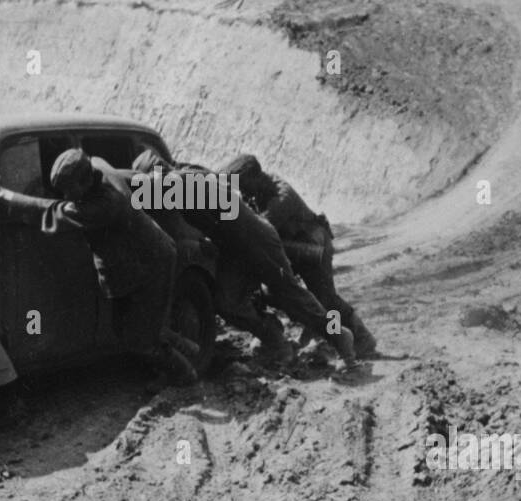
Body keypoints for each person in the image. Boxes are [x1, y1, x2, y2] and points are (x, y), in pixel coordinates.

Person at [0, 149, 196, 384]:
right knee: (128, 329)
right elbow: (105, 165)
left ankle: (184, 375)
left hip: (152, 264)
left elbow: (51, 210)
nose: (67, 196)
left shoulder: (103, 205)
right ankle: (192, 349)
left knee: (140, 338)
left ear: (86, 181)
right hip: (135, 261)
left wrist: (1, 193)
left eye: (70, 190)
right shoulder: (98, 166)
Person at [131, 149, 357, 369]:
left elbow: (169, 188)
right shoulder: (183, 179)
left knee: (294, 297)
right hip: (232, 246)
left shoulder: (183, 180)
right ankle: (277, 341)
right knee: (227, 303)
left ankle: (339, 335)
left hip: (256, 239)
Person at [220, 154, 377, 358]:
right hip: (290, 246)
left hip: (312, 245)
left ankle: (359, 337)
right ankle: (316, 333)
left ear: (256, 178)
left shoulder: (282, 198)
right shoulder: (261, 186)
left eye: (243, 185)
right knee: (273, 293)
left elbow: (258, 228)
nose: (242, 191)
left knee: (325, 298)